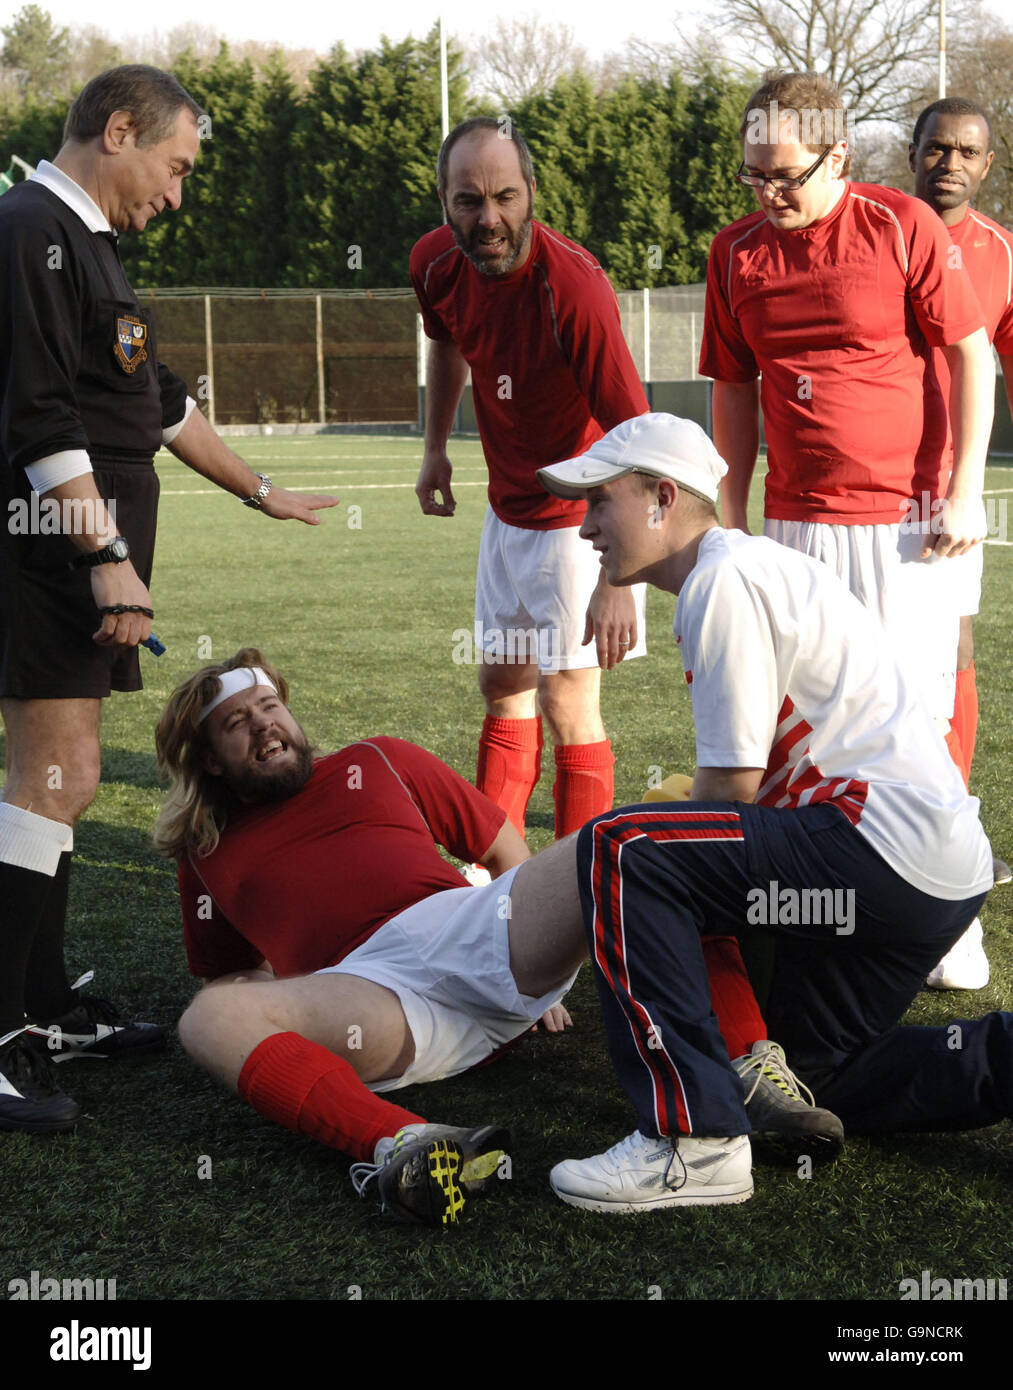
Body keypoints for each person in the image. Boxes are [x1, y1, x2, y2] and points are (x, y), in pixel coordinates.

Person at [155, 648, 843, 1227]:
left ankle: (749, 1069)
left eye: (269, 706)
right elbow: (225, 976)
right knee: (208, 1017)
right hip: (375, 999)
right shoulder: (205, 849)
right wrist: (286, 992)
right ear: (211, 760)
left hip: (476, 931)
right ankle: (403, 1144)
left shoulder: (379, 759)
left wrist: (539, 952)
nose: (263, 726)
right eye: (235, 724)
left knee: (650, 840)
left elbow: (502, 845)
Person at [536, 412, 1011, 1213]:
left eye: (598, 502)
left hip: (875, 843)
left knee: (623, 847)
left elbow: (731, 795)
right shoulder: (743, 568)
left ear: (660, 498)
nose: (583, 526)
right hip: (933, 869)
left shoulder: (723, 580)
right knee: (818, 1073)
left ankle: (695, 1143)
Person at [0, 65, 338, 1135]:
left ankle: (43, 1010)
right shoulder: (29, 231)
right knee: (53, 775)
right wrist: (103, 552)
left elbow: (157, 399)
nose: (179, 194)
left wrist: (258, 488)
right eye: (177, 166)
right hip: (46, 555)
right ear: (118, 129)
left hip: (72, 559)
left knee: (58, 776)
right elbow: (41, 417)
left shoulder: (86, 243)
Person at [700, 69, 996, 992]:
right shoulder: (734, 251)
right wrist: (732, 515)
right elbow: (732, 387)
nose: (768, 194)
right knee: (803, 732)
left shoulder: (899, 225)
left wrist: (962, 490)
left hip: (905, 524)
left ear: (839, 153)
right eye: (751, 175)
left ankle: (950, 920)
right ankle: (813, 915)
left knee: (913, 725)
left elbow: (969, 353)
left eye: (784, 175)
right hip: (791, 523)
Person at [410, 116, 650, 844]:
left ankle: (576, 887)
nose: (489, 219)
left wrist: (617, 578)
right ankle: (499, 873)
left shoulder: (572, 287)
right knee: (502, 687)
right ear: (444, 200)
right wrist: (435, 448)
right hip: (506, 514)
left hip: (584, 526)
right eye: (468, 201)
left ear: (531, 193)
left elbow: (633, 437)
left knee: (568, 700)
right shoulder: (433, 263)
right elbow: (447, 341)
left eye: (505, 197)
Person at [908, 97, 1013, 983]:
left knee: (952, 660)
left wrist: (966, 485)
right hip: (852, 497)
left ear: (986, 165)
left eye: (966, 152)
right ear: (911, 151)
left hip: (950, 495)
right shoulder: (875, 227)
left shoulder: (1000, 251)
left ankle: (952, 865)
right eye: (935, 146)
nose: (949, 160)